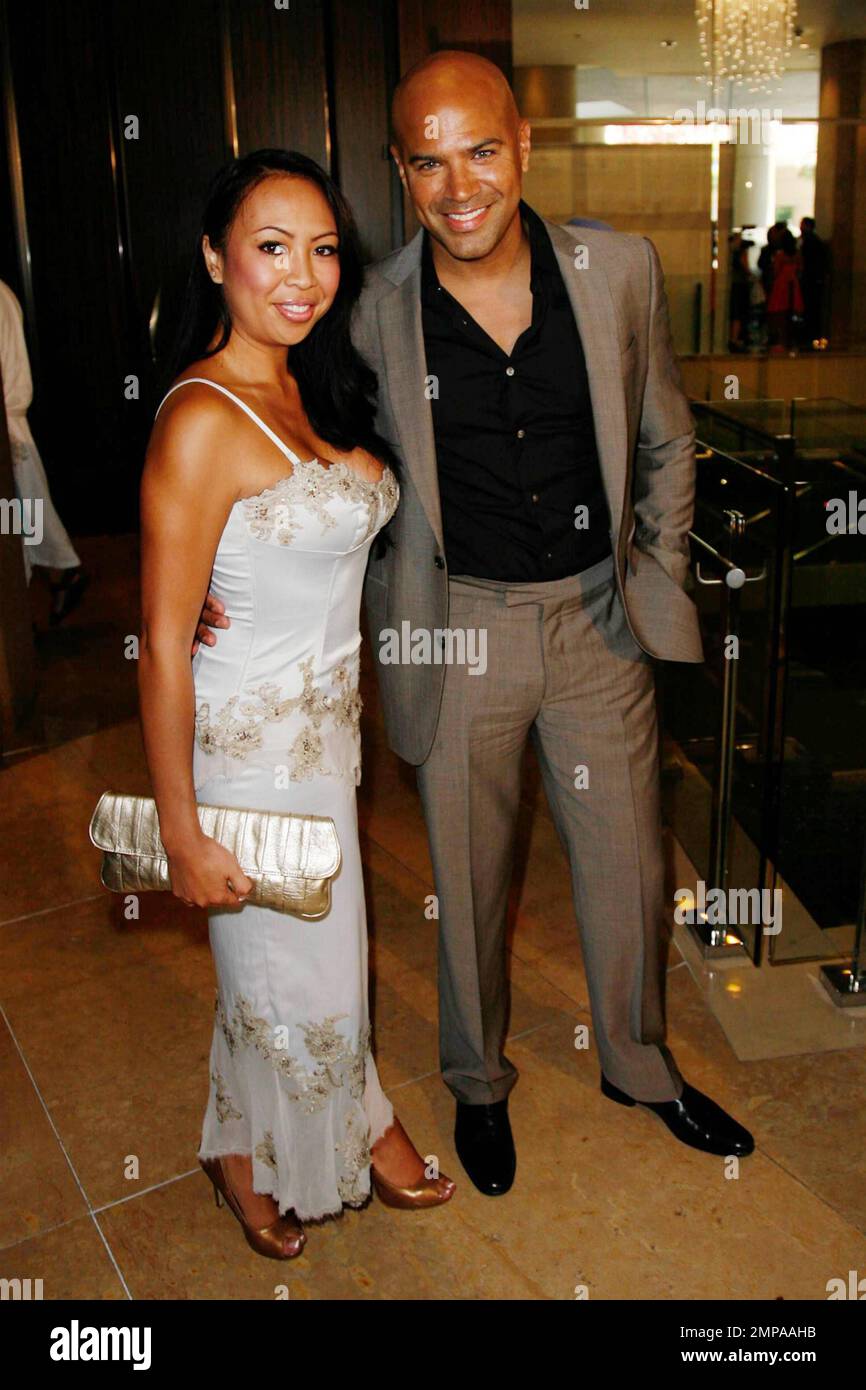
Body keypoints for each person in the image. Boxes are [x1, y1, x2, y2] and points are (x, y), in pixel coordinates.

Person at [199, 53, 755, 1199]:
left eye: (480, 151)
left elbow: (666, 437)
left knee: (628, 868)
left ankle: (639, 1065)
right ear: (402, 172)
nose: (459, 185)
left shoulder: (616, 273)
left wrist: (649, 571)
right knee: (466, 877)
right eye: (427, 160)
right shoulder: (367, 309)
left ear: (523, 143)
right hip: (456, 628)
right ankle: (476, 1080)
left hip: (598, 622)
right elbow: (272, 413)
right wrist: (217, 550)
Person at [139, 148, 454, 1261]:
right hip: (243, 759)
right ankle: (350, 1130)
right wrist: (179, 825)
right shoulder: (200, 417)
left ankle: (241, 1142)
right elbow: (165, 649)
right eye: (270, 246)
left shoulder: (309, 380)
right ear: (216, 258)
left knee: (309, 961)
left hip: (328, 747)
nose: (301, 274)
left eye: (321, 248)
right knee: (294, 970)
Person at [0, 278, 88, 623]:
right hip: (12, 430)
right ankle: (62, 571)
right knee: (26, 515)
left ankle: (51, 579)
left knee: (17, 523)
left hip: (8, 432)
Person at [765, 227, 804, 353]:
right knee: (790, 312)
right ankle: (789, 340)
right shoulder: (797, 254)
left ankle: (780, 341)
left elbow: (776, 271)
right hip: (793, 284)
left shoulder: (780, 255)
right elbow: (800, 269)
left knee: (779, 313)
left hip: (781, 285)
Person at [798, 216, 829, 349]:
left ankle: (810, 339)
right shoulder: (815, 241)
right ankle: (814, 339)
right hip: (816, 280)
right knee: (814, 311)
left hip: (810, 281)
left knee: (811, 311)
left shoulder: (809, 241)